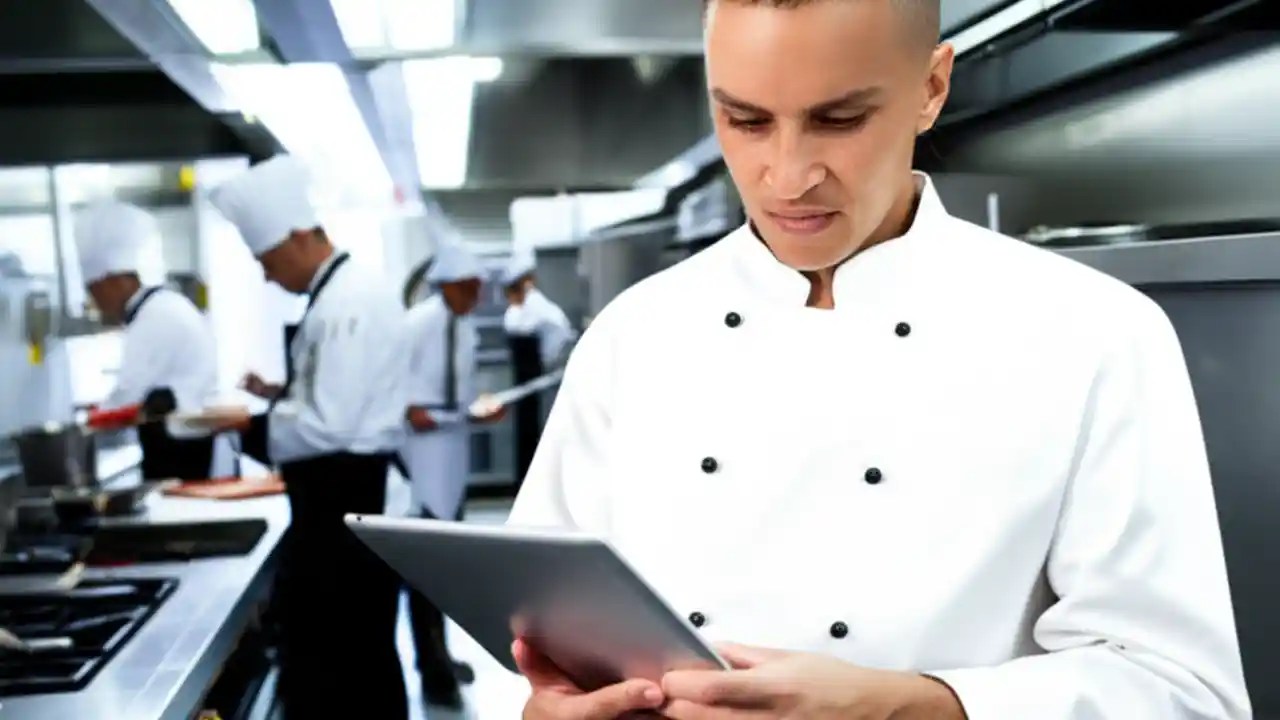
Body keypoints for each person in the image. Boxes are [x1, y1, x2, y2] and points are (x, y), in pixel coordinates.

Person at [506, 1, 1252, 719]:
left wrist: (907, 707)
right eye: (745, 120)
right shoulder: (631, 337)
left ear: (931, 87)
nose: (787, 175)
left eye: (839, 120)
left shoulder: (1096, 333)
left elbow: (1179, 691)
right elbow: (544, 637)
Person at [207, 155, 409, 719]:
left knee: (349, 664)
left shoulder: (350, 300)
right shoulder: (336, 295)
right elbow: (326, 403)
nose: (268, 275)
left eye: (266, 260)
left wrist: (248, 424)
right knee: (349, 658)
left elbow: (331, 423)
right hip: (334, 506)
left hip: (348, 506)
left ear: (298, 238)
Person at [401, 241, 506, 709]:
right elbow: (393, 384)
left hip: (451, 451)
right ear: (448, 285)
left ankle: (440, 655)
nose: (476, 298)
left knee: (444, 565)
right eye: (469, 288)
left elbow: (458, 392)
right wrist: (410, 409)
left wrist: (477, 411)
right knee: (423, 567)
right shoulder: (417, 324)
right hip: (418, 456)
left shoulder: (464, 330)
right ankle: (432, 667)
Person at [72, 200, 227, 481]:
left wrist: (81, 425)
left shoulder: (154, 318)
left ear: (114, 281)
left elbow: (128, 397)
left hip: (182, 449)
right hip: (186, 439)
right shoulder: (161, 306)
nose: (96, 303)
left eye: (95, 292)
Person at [500, 251, 576, 486]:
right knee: (528, 436)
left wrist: (549, 362)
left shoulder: (539, 307)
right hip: (528, 379)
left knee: (542, 438)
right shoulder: (520, 310)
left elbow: (558, 337)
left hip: (544, 377)